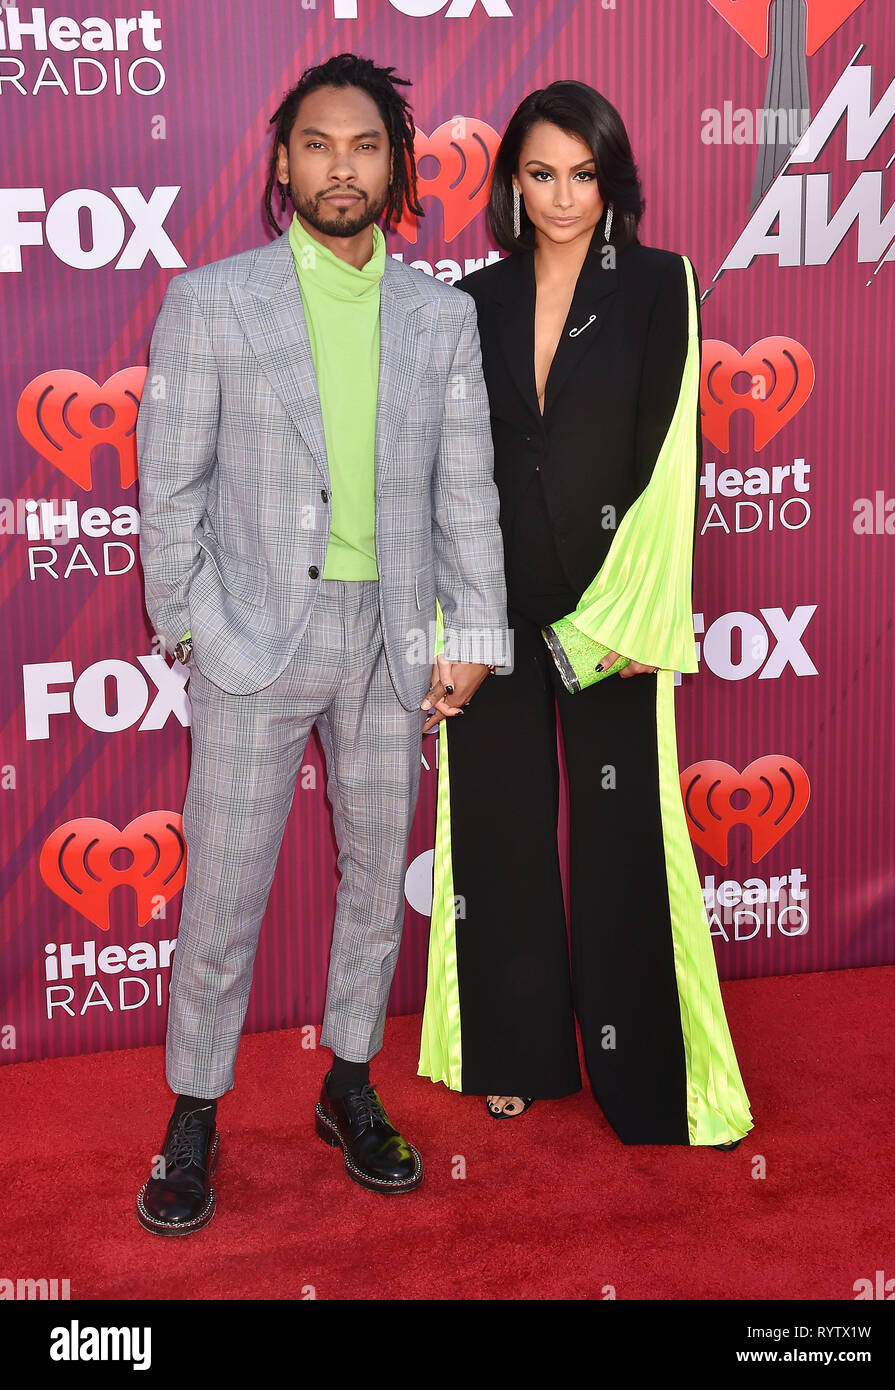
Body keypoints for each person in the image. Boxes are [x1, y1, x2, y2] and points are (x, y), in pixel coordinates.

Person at [134, 53, 507, 1233]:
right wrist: (191, 623)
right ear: (283, 162)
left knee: (369, 884)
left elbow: (468, 493)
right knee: (225, 888)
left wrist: (477, 631)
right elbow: (168, 488)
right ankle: (194, 1107)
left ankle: (349, 1082)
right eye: (316, 144)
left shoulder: (441, 316)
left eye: (362, 145)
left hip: (392, 639)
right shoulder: (215, 301)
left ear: (396, 164)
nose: (339, 166)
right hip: (256, 634)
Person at [418, 81, 753, 1149]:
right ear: (512, 182)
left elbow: (669, 463)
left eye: (583, 174)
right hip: (496, 597)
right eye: (540, 174)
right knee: (499, 824)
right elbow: (454, 469)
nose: (562, 197)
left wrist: (617, 618)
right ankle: (516, 1050)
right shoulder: (475, 297)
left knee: (623, 835)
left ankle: (644, 1071)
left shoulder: (661, 285)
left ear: (613, 180)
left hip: (615, 607)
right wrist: (466, 623)